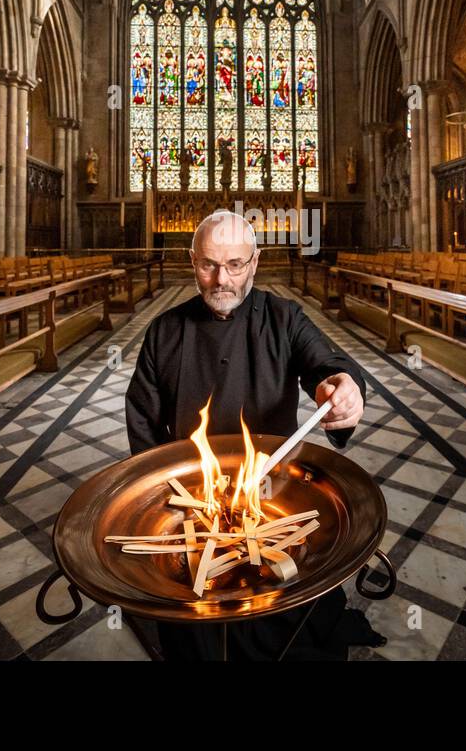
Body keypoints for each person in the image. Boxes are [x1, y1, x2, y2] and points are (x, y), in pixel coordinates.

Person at [125, 210, 381, 660]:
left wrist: (343, 387)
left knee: (276, 597)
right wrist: (164, 493)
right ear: (191, 261)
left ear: (256, 261)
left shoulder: (284, 318)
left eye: (235, 264)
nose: (221, 279)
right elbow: (143, 421)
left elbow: (326, 362)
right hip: (192, 497)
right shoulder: (165, 331)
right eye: (208, 264)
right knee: (202, 614)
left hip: (270, 490)